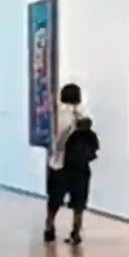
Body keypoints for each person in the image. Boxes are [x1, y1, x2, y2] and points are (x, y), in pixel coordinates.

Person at [45, 83, 92, 245]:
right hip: (80, 164)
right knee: (79, 200)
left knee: (55, 198)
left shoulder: (59, 115)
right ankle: (76, 231)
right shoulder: (84, 115)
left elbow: (56, 141)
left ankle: (50, 225)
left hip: (60, 164)